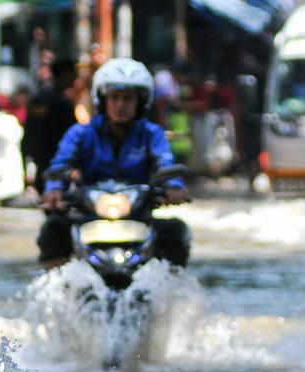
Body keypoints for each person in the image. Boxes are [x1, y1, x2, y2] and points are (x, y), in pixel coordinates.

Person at [38, 58, 191, 268]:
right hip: (89, 213)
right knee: (52, 229)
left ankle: (170, 290)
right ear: (103, 99)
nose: (121, 105)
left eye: (127, 99)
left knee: (176, 231)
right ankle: (56, 291)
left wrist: (173, 187)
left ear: (140, 102)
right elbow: (60, 164)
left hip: (138, 212)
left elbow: (165, 162)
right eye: (115, 98)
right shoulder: (82, 133)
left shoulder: (151, 134)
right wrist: (54, 189)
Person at [22, 58, 79, 193]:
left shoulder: (40, 98)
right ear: (64, 74)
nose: (75, 78)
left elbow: (29, 133)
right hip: (55, 161)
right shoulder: (63, 104)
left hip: (42, 160)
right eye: (72, 74)